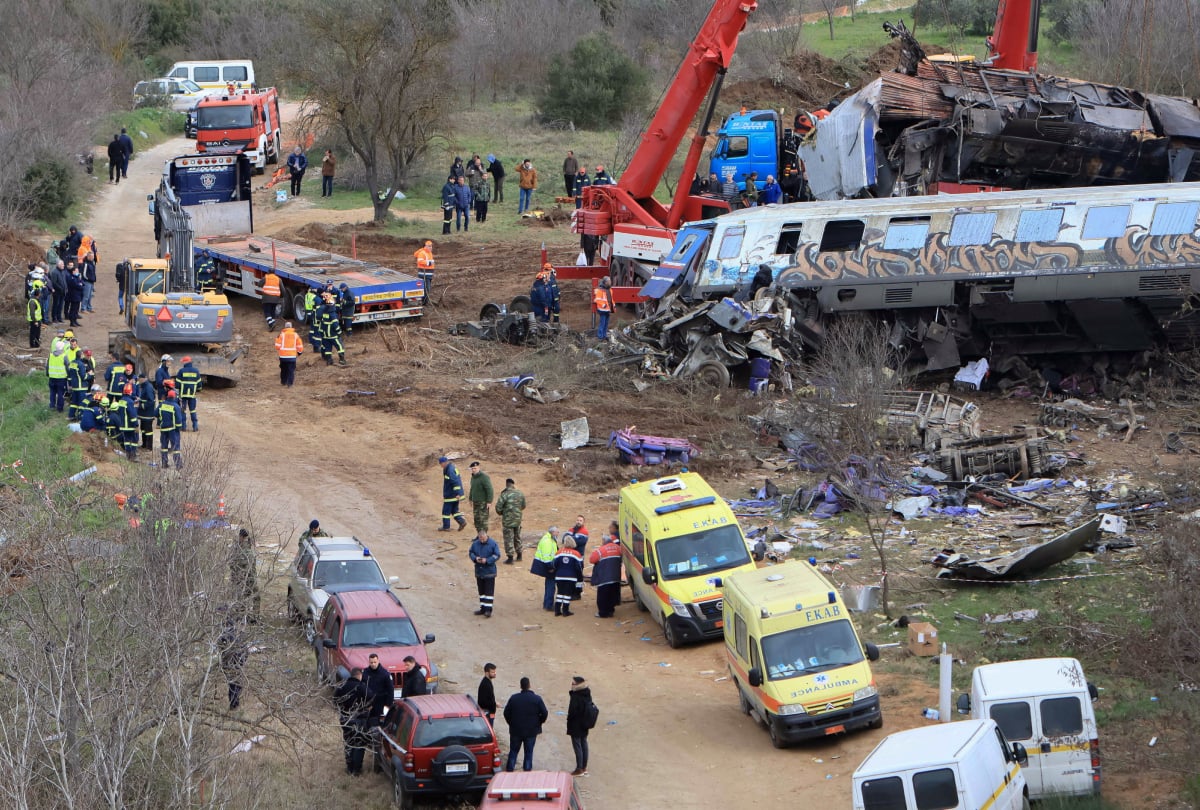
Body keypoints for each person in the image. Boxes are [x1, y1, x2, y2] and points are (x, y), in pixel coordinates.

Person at [504, 677, 549, 772]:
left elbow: (506, 713)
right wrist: (539, 722)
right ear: (529, 685)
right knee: (528, 753)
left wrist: (511, 723)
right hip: (531, 731)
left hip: (516, 730)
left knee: (513, 751)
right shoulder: (536, 699)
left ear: (521, 686)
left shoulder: (514, 698)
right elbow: (544, 713)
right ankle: (527, 772)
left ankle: (509, 771)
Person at [334, 666, 370, 775]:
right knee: (359, 744)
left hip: (345, 719)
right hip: (359, 720)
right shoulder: (361, 687)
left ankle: (349, 768)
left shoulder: (341, 687)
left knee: (349, 742)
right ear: (359, 675)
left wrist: (343, 710)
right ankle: (356, 769)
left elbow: (335, 701)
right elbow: (372, 698)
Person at [589, 525, 623, 618]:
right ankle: (611, 611)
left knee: (603, 597)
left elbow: (592, 559)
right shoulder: (618, 548)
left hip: (604, 578)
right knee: (613, 595)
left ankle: (603, 613)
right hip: (616, 577)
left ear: (604, 541)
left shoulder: (601, 550)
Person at [231, 528, 261, 624]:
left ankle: (243, 616)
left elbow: (232, 565)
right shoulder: (244, 550)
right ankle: (251, 617)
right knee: (252, 597)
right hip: (247, 578)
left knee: (244, 598)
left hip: (244, 578)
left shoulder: (238, 548)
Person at [218, 616, 248, 710]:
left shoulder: (224, 635)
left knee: (231, 683)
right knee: (237, 683)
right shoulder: (240, 634)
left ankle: (233, 703)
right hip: (238, 662)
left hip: (229, 662)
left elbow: (220, 647)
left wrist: (223, 661)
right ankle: (235, 702)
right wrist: (243, 661)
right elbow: (246, 650)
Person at [468, 529, 500, 617]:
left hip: (489, 572)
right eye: (480, 539)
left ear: (486, 536)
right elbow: (471, 553)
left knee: (489, 592)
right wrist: (475, 558)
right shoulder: (475, 544)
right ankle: (482, 608)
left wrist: (487, 560)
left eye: (483, 539)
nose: (482, 540)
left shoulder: (493, 544)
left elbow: (497, 555)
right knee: (481, 591)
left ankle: (488, 610)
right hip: (479, 571)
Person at [495, 478, 526, 564]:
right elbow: (523, 506)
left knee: (508, 538)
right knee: (517, 537)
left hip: (508, 521)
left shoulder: (504, 494)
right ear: (513, 484)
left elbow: (498, 508)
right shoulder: (520, 493)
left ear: (506, 485)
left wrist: (503, 513)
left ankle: (510, 558)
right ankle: (519, 555)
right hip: (517, 519)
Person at [566, 676, 593, 776]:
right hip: (584, 723)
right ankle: (584, 767)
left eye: (573, 683)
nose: (571, 685)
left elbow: (572, 711)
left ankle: (579, 768)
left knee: (577, 745)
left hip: (576, 724)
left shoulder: (576, 696)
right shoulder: (587, 693)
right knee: (584, 744)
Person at [551, 536, 583, 617]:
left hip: (559, 576)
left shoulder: (559, 552)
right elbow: (579, 567)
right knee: (567, 594)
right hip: (571, 577)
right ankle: (565, 611)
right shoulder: (576, 554)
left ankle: (557, 610)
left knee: (560, 593)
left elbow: (554, 564)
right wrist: (579, 578)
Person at [531, 527, 559, 612]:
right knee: (551, 586)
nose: (558, 534)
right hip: (548, 566)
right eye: (557, 532)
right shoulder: (548, 541)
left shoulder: (549, 539)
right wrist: (551, 567)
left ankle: (547, 604)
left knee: (549, 585)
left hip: (546, 565)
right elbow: (547, 557)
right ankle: (548, 605)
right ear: (553, 532)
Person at [438, 456, 468, 531]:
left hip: (451, 495)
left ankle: (446, 527)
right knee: (454, 510)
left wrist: (457, 493)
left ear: (443, 463)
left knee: (446, 512)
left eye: (441, 464)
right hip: (455, 495)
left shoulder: (449, 470)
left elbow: (455, 481)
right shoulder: (451, 468)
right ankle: (461, 521)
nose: (441, 466)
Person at [363, 652, 395, 723]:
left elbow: (390, 690)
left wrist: (388, 704)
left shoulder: (385, 674)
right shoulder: (365, 673)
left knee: (380, 722)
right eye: (371, 662)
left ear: (378, 661)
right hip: (368, 703)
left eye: (375, 662)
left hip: (381, 703)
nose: (373, 664)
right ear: (369, 662)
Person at [175, 356, 202, 431]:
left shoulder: (181, 371)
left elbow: (177, 384)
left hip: (183, 395)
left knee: (183, 410)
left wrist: (178, 391)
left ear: (185, 362)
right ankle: (195, 426)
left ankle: (183, 427)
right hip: (192, 395)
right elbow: (199, 385)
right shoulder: (196, 371)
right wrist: (198, 390)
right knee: (192, 410)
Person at [158, 390, 183, 469]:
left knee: (164, 447)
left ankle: (164, 463)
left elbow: (156, 413)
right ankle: (178, 464)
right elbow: (179, 420)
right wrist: (178, 429)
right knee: (175, 447)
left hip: (164, 429)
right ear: (174, 397)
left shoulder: (162, 404)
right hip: (173, 430)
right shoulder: (176, 406)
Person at [468, 460, 494, 532]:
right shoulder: (473, 478)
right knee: (477, 520)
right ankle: (479, 535)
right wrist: (470, 499)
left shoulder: (484, 477)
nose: (473, 470)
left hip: (483, 502)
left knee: (483, 520)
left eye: (475, 468)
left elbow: (489, 489)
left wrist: (489, 501)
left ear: (479, 468)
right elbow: (472, 488)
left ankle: (484, 536)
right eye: (472, 468)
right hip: (475, 502)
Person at [275, 321, 303, 387]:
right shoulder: (296, 335)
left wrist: (277, 338)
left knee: (283, 369)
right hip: (292, 356)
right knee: (291, 370)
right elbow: (300, 346)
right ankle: (289, 383)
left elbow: (277, 346)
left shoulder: (281, 335)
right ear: (291, 327)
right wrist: (299, 352)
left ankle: (283, 381)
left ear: (285, 327)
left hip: (283, 356)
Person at [134, 373, 157, 451]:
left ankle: (149, 447)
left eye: (139, 379)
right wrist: (139, 399)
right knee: (143, 429)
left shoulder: (148, 388)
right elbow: (144, 398)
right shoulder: (144, 386)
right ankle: (144, 445)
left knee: (148, 431)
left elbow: (151, 401)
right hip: (143, 414)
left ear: (143, 379)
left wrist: (141, 405)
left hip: (148, 414)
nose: (138, 380)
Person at [47, 344, 69, 413]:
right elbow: (67, 366)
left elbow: (47, 366)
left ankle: (52, 406)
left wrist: (47, 374)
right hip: (61, 378)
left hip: (52, 377)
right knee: (60, 393)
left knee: (52, 392)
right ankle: (60, 408)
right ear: (62, 348)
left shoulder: (50, 355)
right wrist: (69, 375)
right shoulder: (64, 356)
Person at [26, 283, 43, 348]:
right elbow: (32, 313)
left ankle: (36, 344)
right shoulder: (33, 302)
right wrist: (35, 321)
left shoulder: (36, 300)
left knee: (37, 333)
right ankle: (33, 345)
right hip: (34, 320)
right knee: (33, 334)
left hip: (37, 320)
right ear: (38, 294)